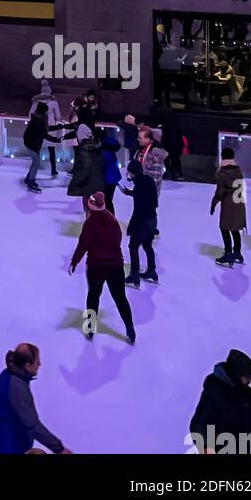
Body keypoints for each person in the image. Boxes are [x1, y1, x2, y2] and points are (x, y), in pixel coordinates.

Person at [69, 192, 136, 344]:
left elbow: (83, 245)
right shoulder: (113, 220)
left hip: (96, 267)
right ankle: (130, 328)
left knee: (93, 295)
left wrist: (74, 261)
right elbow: (118, 240)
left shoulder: (90, 223)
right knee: (120, 298)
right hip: (115, 266)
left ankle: (90, 327)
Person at [0, 344, 71, 455]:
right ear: (27, 365)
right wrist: (59, 448)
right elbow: (32, 425)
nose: (39, 364)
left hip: (3, 442)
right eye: (37, 361)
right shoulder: (17, 387)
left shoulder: (7, 374)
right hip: (10, 447)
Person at [122, 159, 159, 287]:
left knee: (133, 246)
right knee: (147, 246)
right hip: (153, 219)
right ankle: (151, 270)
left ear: (132, 173)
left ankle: (135, 274)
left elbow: (138, 209)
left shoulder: (138, 187)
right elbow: (148, 197)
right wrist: (130, 193)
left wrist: (132, 226)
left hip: (142, 221)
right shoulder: (148, 180)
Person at [211, 146, 247, 267]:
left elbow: (220, 191)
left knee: (224, 228)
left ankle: (228, 253)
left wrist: (214, 203)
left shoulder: (222, 172)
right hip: (240, 203)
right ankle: (237, 252)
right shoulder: (238, 170)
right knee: (235, 228)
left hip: (228, 204)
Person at [28, 81, 62, 177]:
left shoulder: (36, 101)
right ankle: (53, 169)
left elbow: (31, 113)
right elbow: (58, 117)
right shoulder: (54, 102)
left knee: (37, 148)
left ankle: (35, 167)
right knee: (51, 149)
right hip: (50, 127)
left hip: (38, 127)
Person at [67, 124, 104, 204]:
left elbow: (85, 168)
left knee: (89, 207)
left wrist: (76, 180)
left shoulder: (84, 149)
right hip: (97, 182)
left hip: (88, 184)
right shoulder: (95, 145)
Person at [22, 102, 51, 193]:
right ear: (43, 112)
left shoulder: (38, 119)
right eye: (46, 112)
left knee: (35, 162)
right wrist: (57, 139)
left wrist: (57, 127)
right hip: (32, 145)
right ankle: (31, 181)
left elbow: (45, 130)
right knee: (36, 162)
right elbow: (44, 134)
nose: (47, 114)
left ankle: (28, 178)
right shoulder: (38, 121)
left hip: (32, 144)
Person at [101, 128, 122, 213]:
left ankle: (110, 220)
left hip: (107, 179)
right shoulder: (110, 148)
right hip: (113, 179)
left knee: (106, 202)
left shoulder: (103, 151)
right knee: (108, 200)